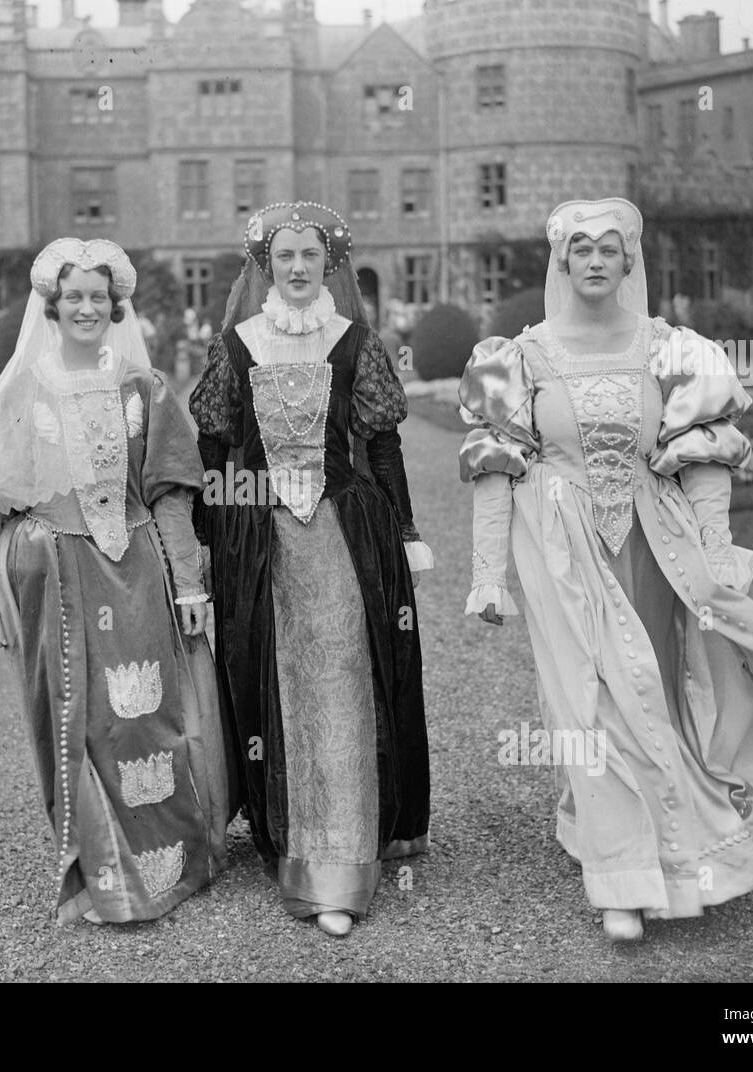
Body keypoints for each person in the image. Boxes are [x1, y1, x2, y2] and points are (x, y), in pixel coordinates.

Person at [458, 197, 753, 941]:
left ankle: (691, 818)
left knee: (655, 692)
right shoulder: (520, 356)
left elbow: (701, 458)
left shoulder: (672, 348)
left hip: (651, 537)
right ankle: (620, 879)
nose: (596, 260)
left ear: (629, 260)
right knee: (588, 700)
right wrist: (487, 574)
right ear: (563, 261)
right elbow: (494, 468)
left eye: (610, 248)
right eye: (582, 249)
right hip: (558, 538)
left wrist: (718, 548)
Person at [0, 238, 234, 925]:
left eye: (98, 297)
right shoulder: (23, 390)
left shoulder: (144, 388)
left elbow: (171, 494)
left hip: (136, 567)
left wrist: (190, 585)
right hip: (55, 571)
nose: (86, 307)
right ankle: (99, 868)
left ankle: (163, 858)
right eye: (73, 295)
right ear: (52, 305)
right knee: (77, 718)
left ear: (116, 308)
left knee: (145, 711)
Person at [190, 202, 433, 937]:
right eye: (284, 255)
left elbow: (382, 448)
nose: (298, 268)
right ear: (265, 265)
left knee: (341, 682)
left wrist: (409, 531)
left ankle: (342, 856)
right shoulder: (237, 346)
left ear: (329, 264)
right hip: (258, 538)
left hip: (342, 532)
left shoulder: (355, 342)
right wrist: (205, 541)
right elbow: (212, 451)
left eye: (311, 256)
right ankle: (289, 833)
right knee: (272, 681)